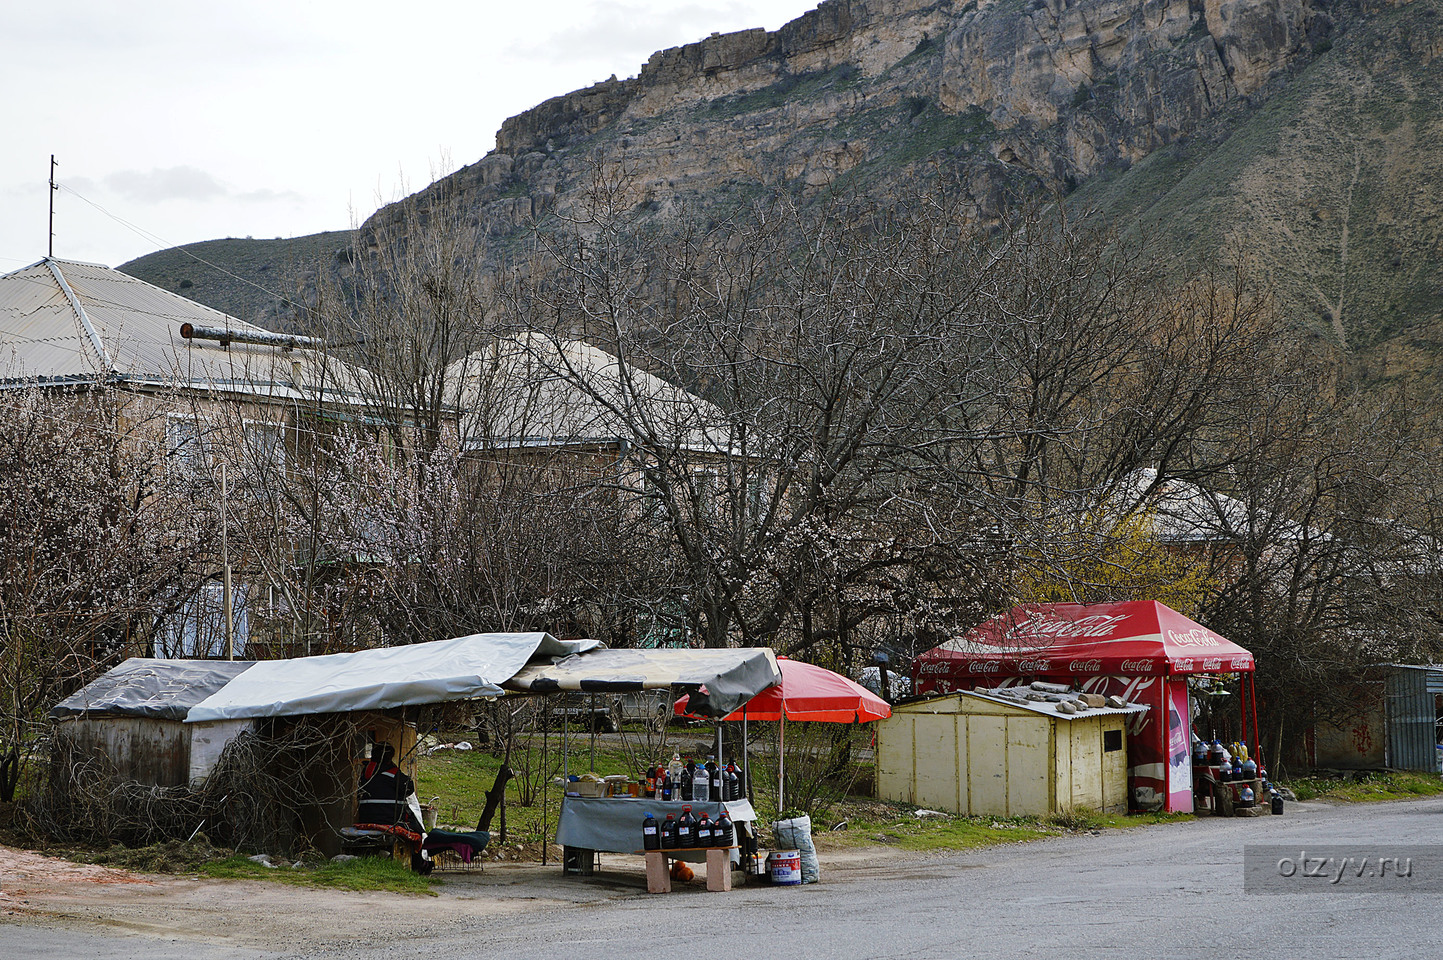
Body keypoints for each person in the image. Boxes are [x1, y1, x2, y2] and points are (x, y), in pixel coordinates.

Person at [356, 741, 424, 834]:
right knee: (416, 826)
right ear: (390, 757)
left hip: (366, 818)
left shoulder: (365, 774)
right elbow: (409, 789)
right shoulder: (393, 773)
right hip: (390, 820)